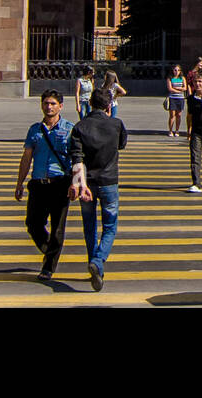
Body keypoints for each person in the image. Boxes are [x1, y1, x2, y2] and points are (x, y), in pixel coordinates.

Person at [69, 87, 128, 291]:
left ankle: (95, 265)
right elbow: (121, 145)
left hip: (88, 184)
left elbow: (77, 158)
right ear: (108, 105)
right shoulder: (117, 124)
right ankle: (99, 260)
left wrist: (79, 184)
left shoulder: (79, 127)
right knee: (110, 226)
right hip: (110, 181)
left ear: (90, 104)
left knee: (89, 226)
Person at [16, 90, 74, 279]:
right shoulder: (34, 130)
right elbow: (26, 158)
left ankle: (48, 267)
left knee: (58, 227)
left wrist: (77, 183)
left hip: (60, 184)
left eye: (53, 104)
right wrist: (19, 183)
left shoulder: (70, 129)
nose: (49, 107)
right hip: (38, 184)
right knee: (33, 223)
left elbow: (77, 158)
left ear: (61, 106)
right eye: (46, 103)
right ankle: (49, 250)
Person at [166, 65, 186, 137]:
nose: (176, 72)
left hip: (180, 98)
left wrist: (177, 88)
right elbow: (170, 88)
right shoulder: (170, 78)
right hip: (173, 98)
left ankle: (177, 130)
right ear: (172, 71)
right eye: (175, 70)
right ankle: (170, 130)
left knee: (179, 115)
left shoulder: (182, 78)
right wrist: (178, 90)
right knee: (172, 115)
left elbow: (185, 88)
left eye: (178, 70)